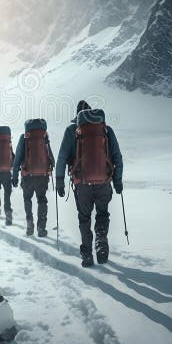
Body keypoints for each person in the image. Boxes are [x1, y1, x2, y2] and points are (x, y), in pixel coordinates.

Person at [56, 101, 123, 267]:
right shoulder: (106, 130)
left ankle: (87, 254)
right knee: (102, 214)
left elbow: (62, 157)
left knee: (84, 218)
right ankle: (101, 241)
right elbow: (117, 157)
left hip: (82, 184)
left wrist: (59, 181)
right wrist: (117, 181)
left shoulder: (71, 130)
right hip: (103, 183)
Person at [12, 119, 54, 237]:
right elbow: (51, 157)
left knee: (27, 199)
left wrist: (14, 177)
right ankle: (41, 228)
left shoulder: (24, 137)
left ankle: (30, 225)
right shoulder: (44, 137)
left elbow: (17, 159)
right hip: (42, 176)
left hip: (28, 176)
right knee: (42, 199)